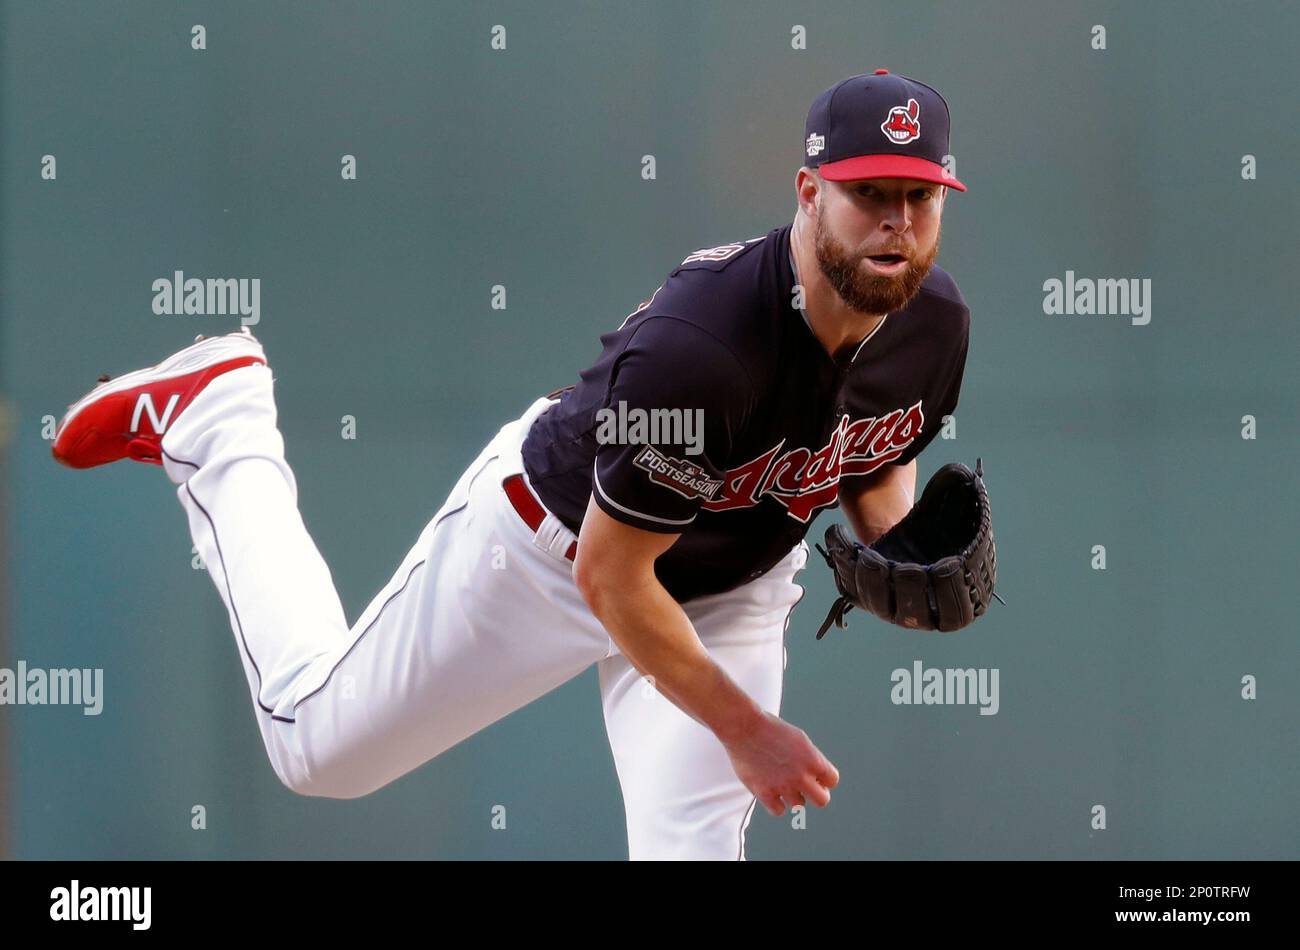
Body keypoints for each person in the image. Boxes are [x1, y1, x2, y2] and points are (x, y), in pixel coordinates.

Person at [52, 70, 971, 860]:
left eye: (918, 197)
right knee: (317, 751)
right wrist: (749, 732)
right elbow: (613, 578)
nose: (895, 221)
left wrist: (893, 541)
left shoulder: (933, 325)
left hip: (729, 584)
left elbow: (869, 447)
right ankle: (222, 424)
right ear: (809, 193)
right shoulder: (705, 347)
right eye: (869, 192)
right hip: (556, 551)